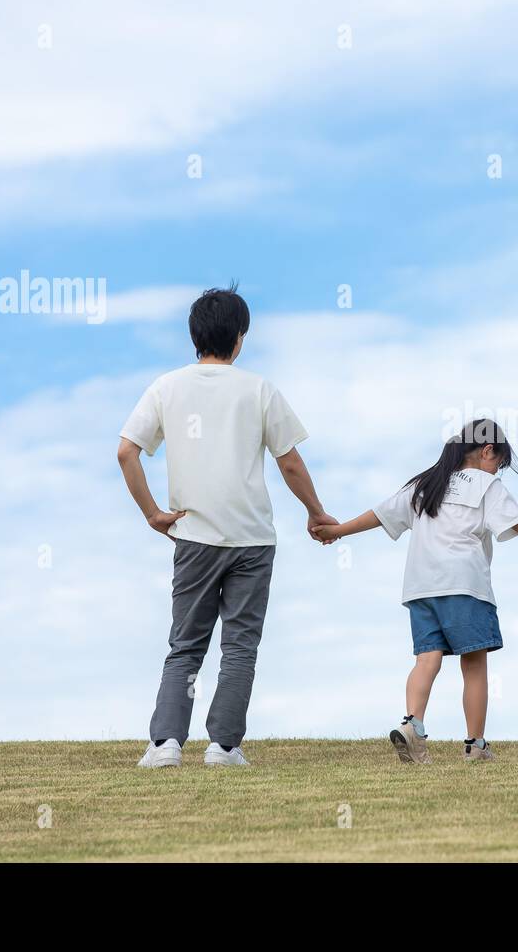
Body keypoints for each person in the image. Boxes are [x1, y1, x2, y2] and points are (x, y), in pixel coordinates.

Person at [118, 285, 335, 768]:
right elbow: (291, 462)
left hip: (194, 536)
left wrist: (153, 513)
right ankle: (224, 747)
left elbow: (126, 451)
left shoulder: (166, 386)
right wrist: (316, 513)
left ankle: (166, 744)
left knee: (186, 644)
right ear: (239, 339)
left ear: (195, 336)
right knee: (240, 646)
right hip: (253, 539)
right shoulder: (258, 389)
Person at [313, 419, 518, 763]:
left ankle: (412, 726)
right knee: (474, 664)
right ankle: (475, 745)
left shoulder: (426, 483)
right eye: (499, 465)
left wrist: (338, 530)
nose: (497, 473)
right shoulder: (485, 485)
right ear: (487, 451)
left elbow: (379, 514)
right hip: (464, 584)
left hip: (420, 587)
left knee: (426, 658)